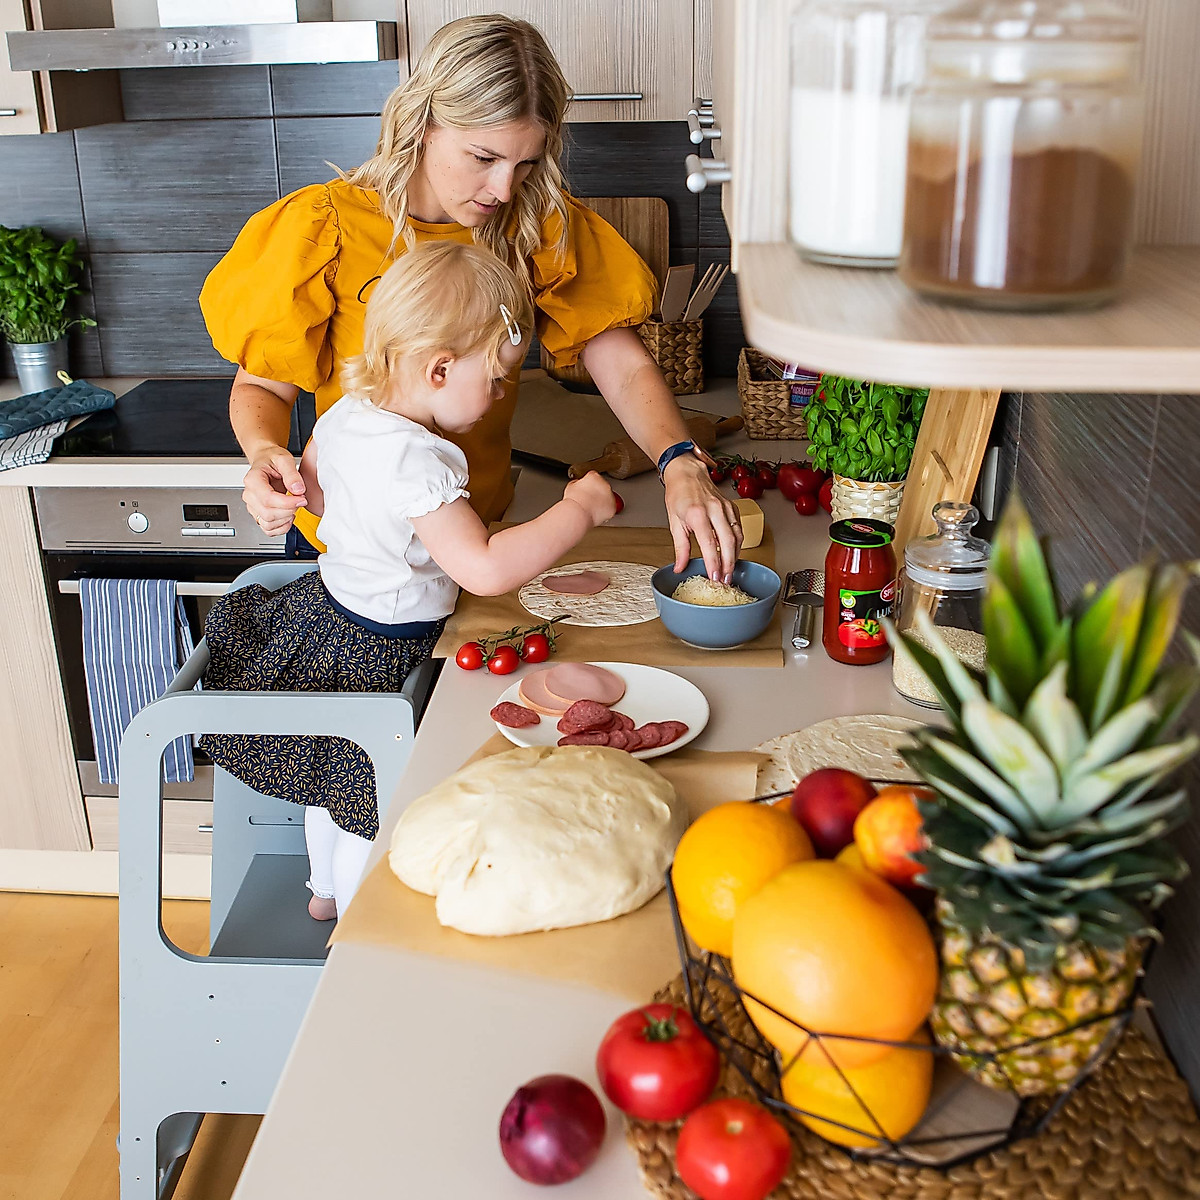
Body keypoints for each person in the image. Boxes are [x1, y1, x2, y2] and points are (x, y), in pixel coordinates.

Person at [199, 13, 741, 581]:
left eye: (526, 162)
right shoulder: (323, 229)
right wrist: (264, 452)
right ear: (424, 123)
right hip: (350, 545)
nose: (505, 189)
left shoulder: (536, 224)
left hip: (477, 539)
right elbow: (262, 383)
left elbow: (622, 365)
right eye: (484, 158)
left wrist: (678, 462)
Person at [199, 242, 617, 920]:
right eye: (498, 379)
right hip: (376, 648)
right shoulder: (419, 464)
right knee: (369, 804)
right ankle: (358, 927)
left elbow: (320, 499)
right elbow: (481, 566)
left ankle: (323, 896)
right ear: (440, 367)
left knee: (328, 783)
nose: (502, 395)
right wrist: (577, 512)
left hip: (324, 615)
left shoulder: (345, 416)